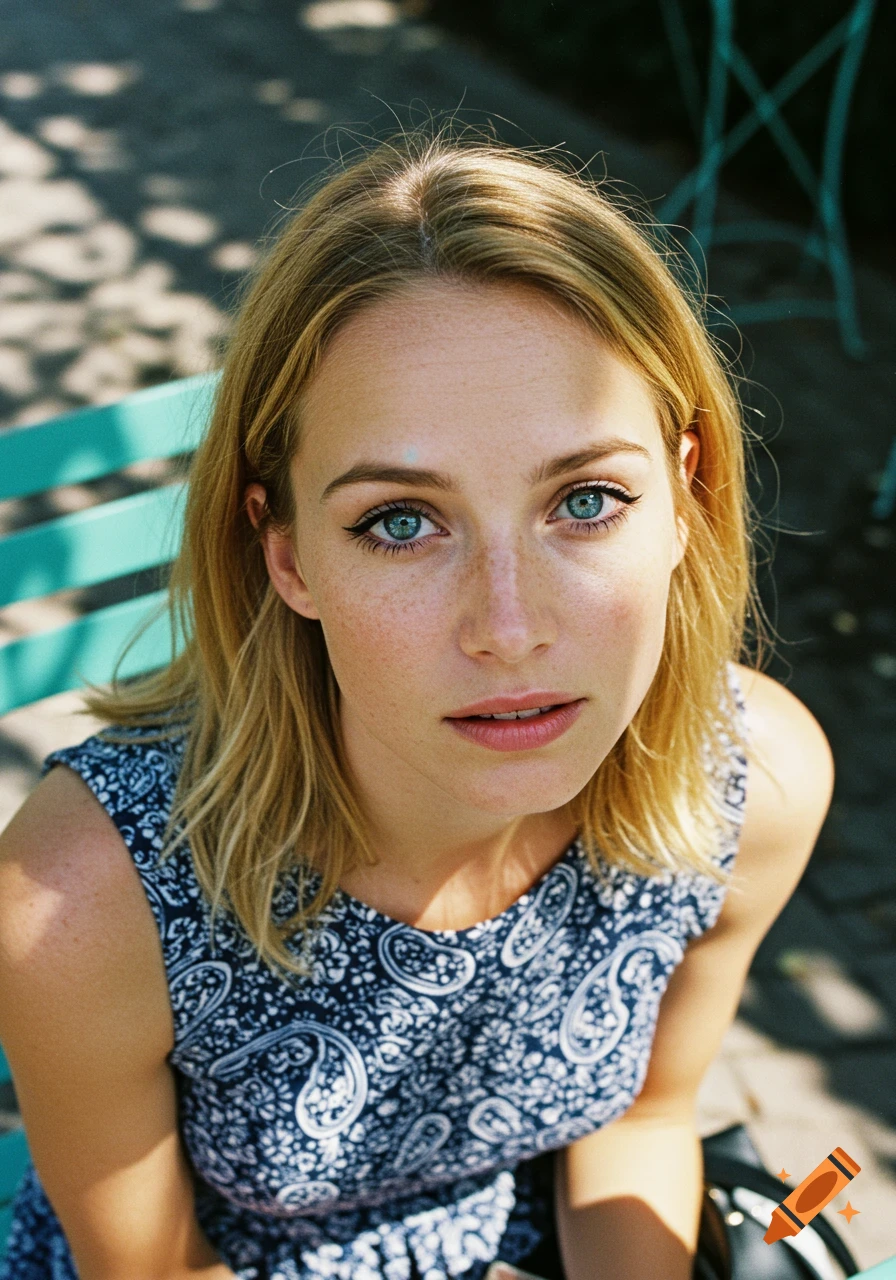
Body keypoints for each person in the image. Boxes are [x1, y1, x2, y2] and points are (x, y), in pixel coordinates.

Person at [0, 123, 835, 1280]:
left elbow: (639, 1122)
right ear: (287, 553)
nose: (508, 626)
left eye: (584, 499)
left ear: (683, 499)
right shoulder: (81, 901)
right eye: (400, 520)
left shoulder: (749, 785)